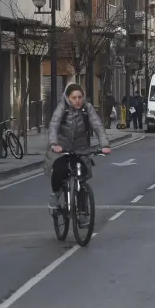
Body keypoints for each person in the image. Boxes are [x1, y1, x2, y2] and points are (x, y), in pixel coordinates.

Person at [47, 84, 111, 212]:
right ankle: (55, 195)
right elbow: (53, 126)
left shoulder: (87, 108)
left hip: (80, 148)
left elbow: (98, 126)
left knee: (82, 177)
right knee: (60, 171)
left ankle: (82, 211)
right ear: (67, 97)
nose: (77, 100)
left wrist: (105, 145)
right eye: (74, 97)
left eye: (80, 97)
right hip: (62, 148)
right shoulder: (62, 108)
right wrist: (54, 144)